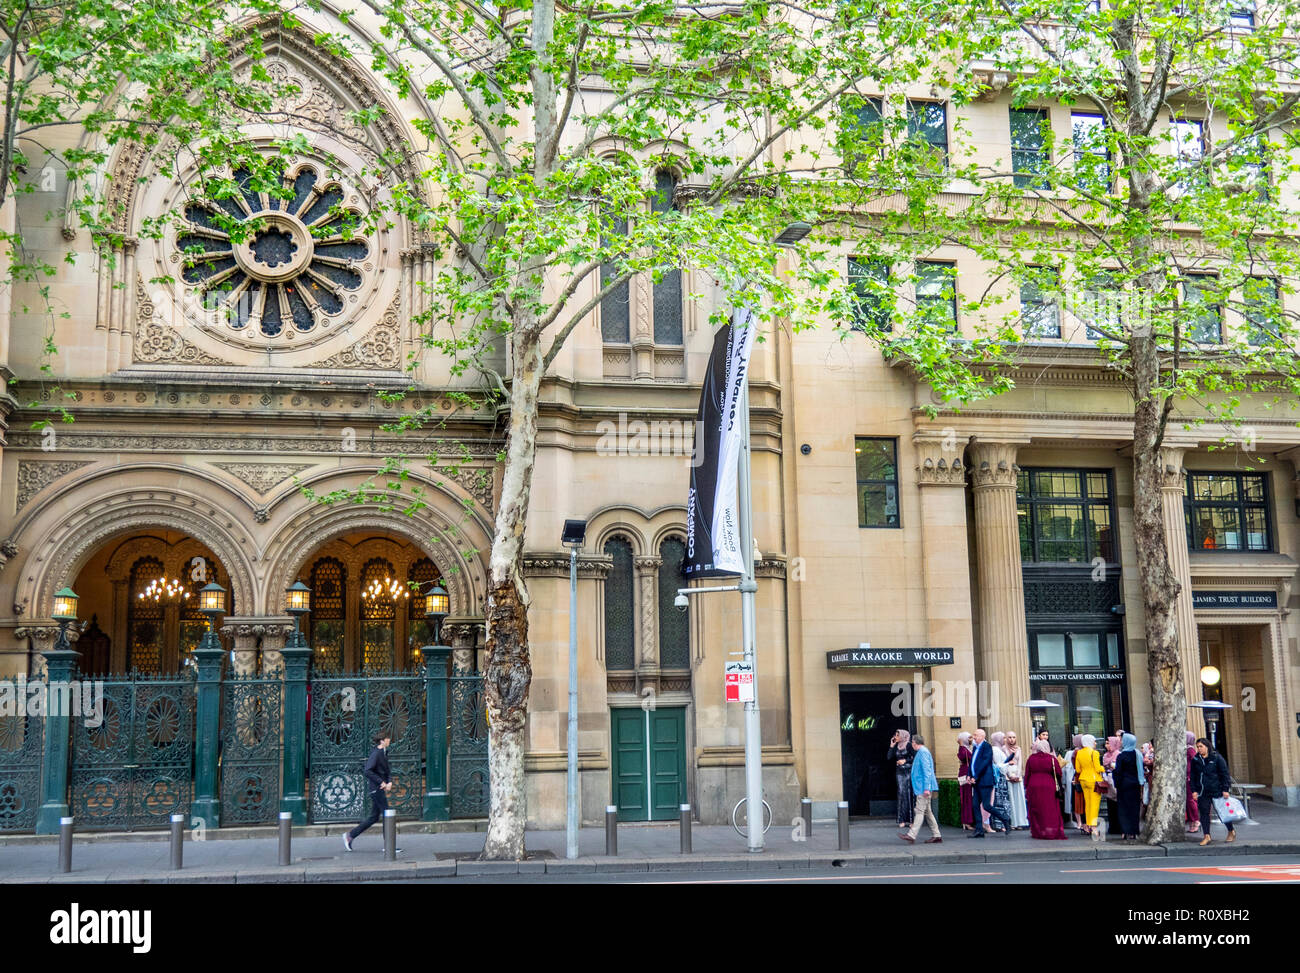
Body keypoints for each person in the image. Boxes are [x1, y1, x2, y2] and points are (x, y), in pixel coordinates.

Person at [343, 732, 398, 852]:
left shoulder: (384, 752)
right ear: (382, 741)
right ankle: (389, 846)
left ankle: (350, 836)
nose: (389, 740)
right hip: (376, 789)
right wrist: (381, 782)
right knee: (387, 814)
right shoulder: (376, 753)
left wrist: (389, 782)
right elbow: (368, 770)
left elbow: (387, 771)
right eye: (388, 738)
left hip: (379, 789)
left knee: (374, 817)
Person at [968, 728, 1011, 838]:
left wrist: (975, 776)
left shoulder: (987, 747)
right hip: (976, 782)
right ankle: (979, 830)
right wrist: (969, 775)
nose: (974, 737)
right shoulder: (975, 747)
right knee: (975, 805)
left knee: (986, 805)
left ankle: (1005, 819)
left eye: (976, 735)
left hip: (985, 781)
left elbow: (984, 763)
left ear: (982, 737)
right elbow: (972, 763)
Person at [901, 734, 942, 843]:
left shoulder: (922, 752)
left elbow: (926, 771)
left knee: (919, 811)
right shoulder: (923, 752)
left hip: (923, 788)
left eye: (912, 742)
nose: (911, 744)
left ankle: (912, 834)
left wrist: (927, 788)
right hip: (923, 787)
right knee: (928, 812)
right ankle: (937, 835)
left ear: (915, 743)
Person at [1193, 738, 1235, 846]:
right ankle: (1206, 835)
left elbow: (1224, 774)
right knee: (1204, 813)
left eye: (1201, 746)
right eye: (1197, 747)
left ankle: (1231, 830)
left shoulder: (1217, 758)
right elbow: (1193, 776)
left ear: (1207, 746)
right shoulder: (1196, 759)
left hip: (1217, 790)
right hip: (1203, 791)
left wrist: (1225, 789)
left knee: (1222, 811)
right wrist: (1194, 790)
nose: (1199, 749)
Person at [1025, 739, 1066, 840]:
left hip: (1033, 785)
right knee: (1050, 809)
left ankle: (1038, 831)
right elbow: (1058, 773)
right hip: (1049, 786)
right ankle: (1050, 830)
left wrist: (1026, 787)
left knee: (1036, 809)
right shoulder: (1051, 758)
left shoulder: (1031, 758)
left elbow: (1027, 774)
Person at [1114, 733, 1144, 840]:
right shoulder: (1137, 754)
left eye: (1123, 740)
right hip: (1135, 785)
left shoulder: (1121, 756)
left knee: (1124, 809)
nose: (1121, 742)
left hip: (1124, 786)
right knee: (1134, 809)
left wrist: (1116, 783)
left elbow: (1118, 772)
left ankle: (1125, 831)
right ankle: (1134, 831)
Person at [1074, 734, 1104, 835]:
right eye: (1094, 741)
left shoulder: (1079, 752)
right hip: (1093, 779)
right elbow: (1098, 768)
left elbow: (1078, 769)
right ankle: (1093, 826)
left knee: (1087, 803)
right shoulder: (1094, 753)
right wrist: (1104, 768)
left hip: (1083, 779)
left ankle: (1088, 824)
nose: (1095, 743)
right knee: (1094, 804)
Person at [889, 729, 915, 829]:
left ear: (903, 736)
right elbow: (889, 757)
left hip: (908, 771)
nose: (896, 737)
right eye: (895, 735)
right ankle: (901, 819)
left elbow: (915, 757)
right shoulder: (897, 746)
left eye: (897, 735)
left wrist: (905, 760)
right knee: (901, 793)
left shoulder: (909, 745)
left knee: (909, 793)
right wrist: (891, 746)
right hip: (900, 773)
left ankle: (911, 820)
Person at [1003, 731, 1029, 830]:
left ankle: (1020, 822)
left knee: (1019, 799)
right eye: (1009, 737)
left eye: (1013, 737)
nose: (1012, 739)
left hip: (1017, 776)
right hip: (1007, 776)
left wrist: (1018, 775)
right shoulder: (1003, 749)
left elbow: (1020, 763)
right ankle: (1012, 822)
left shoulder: (1018, 749)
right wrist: (1009, 776)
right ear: (1006, 738)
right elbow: (1002, 764)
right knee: (1011, 800)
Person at [957, 731, 975, 831]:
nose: (971, 739)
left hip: (970, 774)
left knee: (971, 798)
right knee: (967, 798)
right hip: (965, 775)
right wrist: (961, 745)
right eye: (969, 738)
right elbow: (962, 756)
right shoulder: (963, 749)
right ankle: (967, 821)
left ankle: (970, 820)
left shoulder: (969, 748)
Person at [1062, 733, 1081, 830]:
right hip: (1071, 780)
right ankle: (1075, 820)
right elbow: (1064, 768)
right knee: (1073, 801)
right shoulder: (1069, 754)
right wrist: (1064, 782)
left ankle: (1081, 821)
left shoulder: (1087, 752)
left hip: (1081, 780)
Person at [1184, 730, 1201, 834]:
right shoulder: (1186, 749)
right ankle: (1192, 821)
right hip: (1187, 777)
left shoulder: (1190, 750)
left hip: (1190, 778)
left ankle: (1195, 820)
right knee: (1188, 801)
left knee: (1191, 800)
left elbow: (1196, 762)